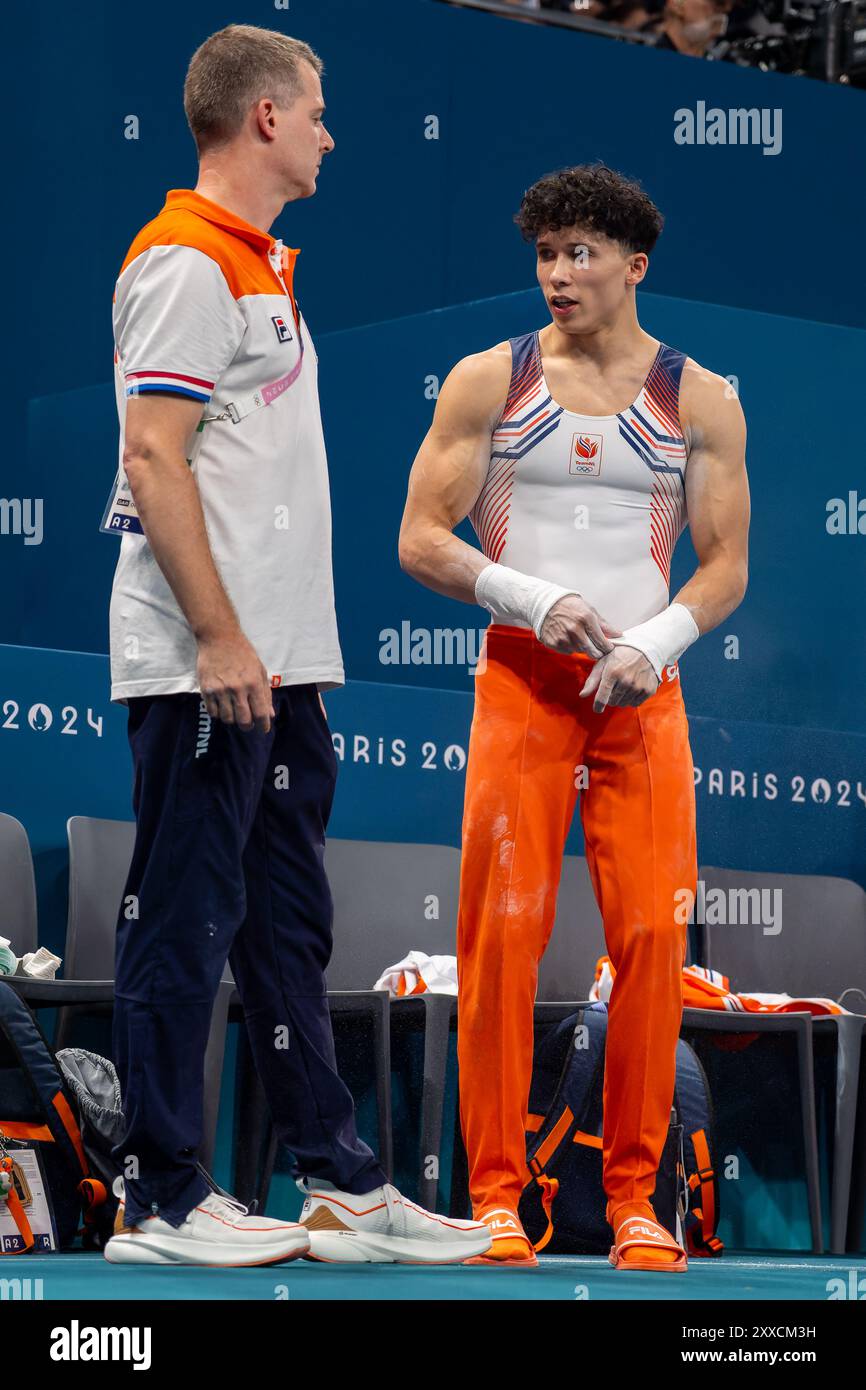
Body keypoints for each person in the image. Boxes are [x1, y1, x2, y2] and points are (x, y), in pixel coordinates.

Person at [103, 22, 490, 1268]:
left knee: (282, 922)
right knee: (184, 915)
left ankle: (334, 1173)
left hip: (279, 663)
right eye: (317, 109)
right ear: (264, 117)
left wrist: (263, 648)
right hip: (207, 659)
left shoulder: (260, 265)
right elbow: (151, 458)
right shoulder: (183, 262)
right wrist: (219, 637)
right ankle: (159, 1197)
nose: (330, 131)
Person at [399, 163, 749, 1269]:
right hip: (520, 679)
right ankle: (496, 1194)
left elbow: (726, 565)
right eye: (545, 254)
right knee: (501, 933)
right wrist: (528, 595)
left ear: (633, 266)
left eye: (580, 254)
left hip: (641, 693)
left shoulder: (698, 397)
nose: (557, 274)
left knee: (650, 936)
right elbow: (419, 537)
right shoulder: (483, 382)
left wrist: (652, 641)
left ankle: (636, 1198)